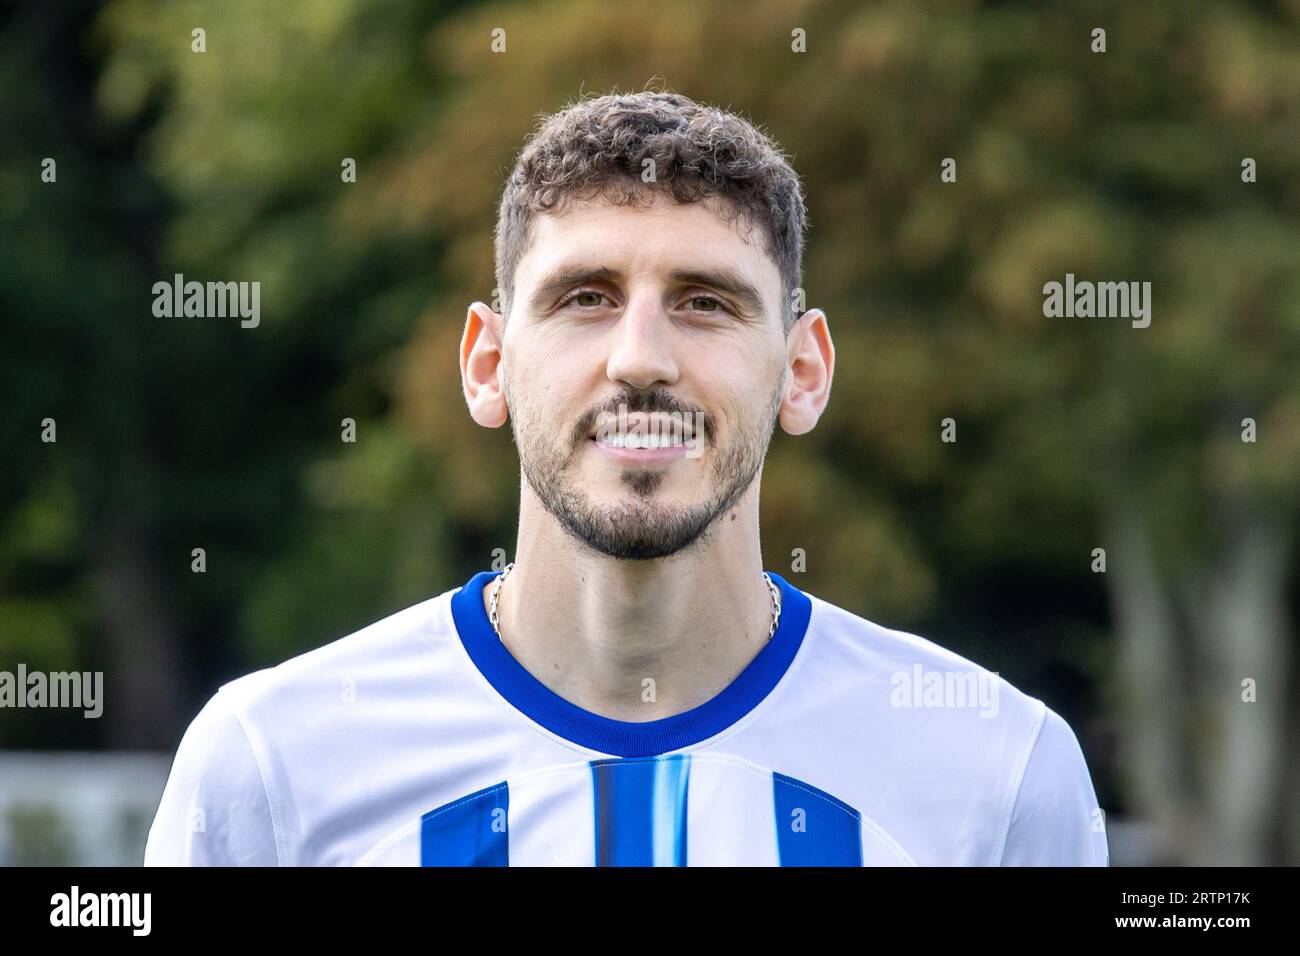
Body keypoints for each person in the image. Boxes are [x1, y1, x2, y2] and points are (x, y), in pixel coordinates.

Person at [145, 89, 1108, 866]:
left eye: (705, 302)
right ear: (486, 364)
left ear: (803, 372)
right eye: (585, 298)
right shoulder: (272, 768)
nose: (639, 356)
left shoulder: (996, 774)